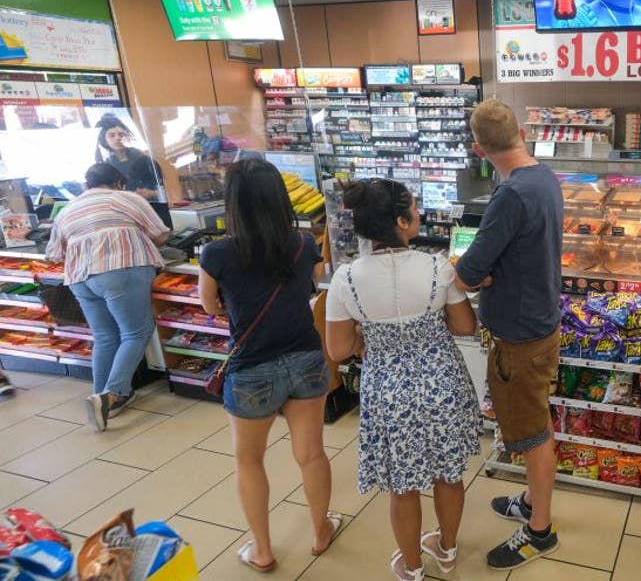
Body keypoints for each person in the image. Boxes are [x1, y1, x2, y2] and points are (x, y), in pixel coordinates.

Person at [325, 178, 481, 581]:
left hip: (388, 389)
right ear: (401, 221)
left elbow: (338, 348)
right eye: (413, 207)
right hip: (441, 381)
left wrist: (369, 338)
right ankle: (446, 550)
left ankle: (411, 567)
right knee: (449, 472)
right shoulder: (436, 267)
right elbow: (465, 326)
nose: (418, 213)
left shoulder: (346, 278)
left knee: (403, 485)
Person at [198, 159, 340, 573]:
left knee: (249, 461)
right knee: (311, 453)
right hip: (306, 359)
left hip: (251, 368)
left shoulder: (218, 253)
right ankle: (320, 531)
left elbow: (210, 305)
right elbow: (311, 283)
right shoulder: (301, 243)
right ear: (279, 197)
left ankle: (262, 549)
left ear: (233, 203)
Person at [454, 99, 563, 570]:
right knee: (536, 422)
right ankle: (530, 501)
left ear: (479, 148)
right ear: (519, 130)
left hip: (519, 337)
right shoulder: (543, 176)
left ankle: (539, 530)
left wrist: (478, 273)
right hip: (540, 321)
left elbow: (469, 270)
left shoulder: (510, 194)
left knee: (533, 434)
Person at [46, 163, 169, 432]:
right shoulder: (125, 198)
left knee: (105, 336)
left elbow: (54, 252)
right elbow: (160, 232)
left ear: (87, 184)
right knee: (136, 332)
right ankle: (112, 394)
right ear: (118, 182)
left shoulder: (68, 210)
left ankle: (98, 395)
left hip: (80, 278)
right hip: (120, 271)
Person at [94, 113, 164, 200]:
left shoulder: (143, 158)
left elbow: (162, 185)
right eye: (112, 135)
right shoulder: (106, 167)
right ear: (104, 141)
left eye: (121, 134)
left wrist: (153, 193)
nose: (117, 138)